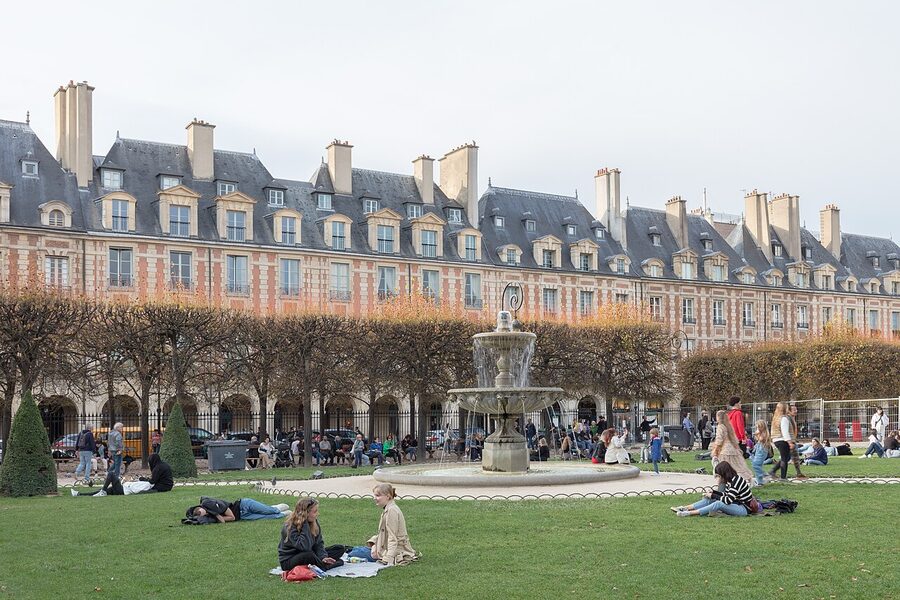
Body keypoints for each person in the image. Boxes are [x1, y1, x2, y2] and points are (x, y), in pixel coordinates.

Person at [347, 483, 417, 565]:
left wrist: (388, 558)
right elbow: (383, 534)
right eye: (375, 495)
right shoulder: (389, 508)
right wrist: (374, 545)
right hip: (383, 548)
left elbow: (392, 538)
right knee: (355, 549)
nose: (375, 498)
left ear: (388, 496)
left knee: (352, 553)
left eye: (378, 496)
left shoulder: (391, 511)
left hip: (391, 551)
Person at [277, 497, 346, 572]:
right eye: (315, 511)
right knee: (308, 555)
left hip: (309, 552)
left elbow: (319, 543)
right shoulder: (289, 527)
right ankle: (325, 566)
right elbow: (304, 547)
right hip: (290, 560)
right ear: (306, 513)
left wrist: (323, 557)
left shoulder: (313, 522)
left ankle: (321, 562)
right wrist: (304, 524)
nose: (317, 514)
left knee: (339, 548)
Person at [671, 462, 753, 517]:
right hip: (736, 504)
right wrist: (713, 493)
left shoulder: (736, 481)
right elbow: (726, 495)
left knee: (718, 503)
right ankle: (685, 508)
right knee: (710, 499)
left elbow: (728, 500)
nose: (718, 477)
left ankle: (689, 513)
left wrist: (713, 495)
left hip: (744, 508)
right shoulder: (731, 480)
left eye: (719, 475)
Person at [711, 409, 755, 484]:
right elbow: (735, 439)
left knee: (723, 467)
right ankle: (748, 479)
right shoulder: (729, 426)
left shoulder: (720, 427)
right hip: (732, 448)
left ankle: (722, 482)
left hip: (724, 450)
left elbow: (719, 440)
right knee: (738, 466)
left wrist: (715, 450)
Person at [186, 496, 292, 523]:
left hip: (243, 505)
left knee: (271, 511)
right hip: (243, 516)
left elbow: (231, 517)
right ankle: (286, 514)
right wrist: (216, 516)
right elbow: (224, 521)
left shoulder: (209, 503)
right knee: (270, 517)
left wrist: (217, 515)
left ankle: (277, 507)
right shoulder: (210, 515)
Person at [769, 402, 793, 480]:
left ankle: (773, 470)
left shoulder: (775, 418)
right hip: (782, 440)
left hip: (776, 439)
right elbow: (785, 431)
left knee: (786, 457)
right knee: (784, 459)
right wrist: (789, 442)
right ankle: (783, 477)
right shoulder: (784, 418)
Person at [750, 420, 772, 486]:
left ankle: (764, 475)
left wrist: (757, 434)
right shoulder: (761, 432)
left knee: (755, 465)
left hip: (761, 450)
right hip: (759, 450)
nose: (757, 428)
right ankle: (760, 482)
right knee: (756, 465)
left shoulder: (764, 433)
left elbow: (761, 439)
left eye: (758, 427)